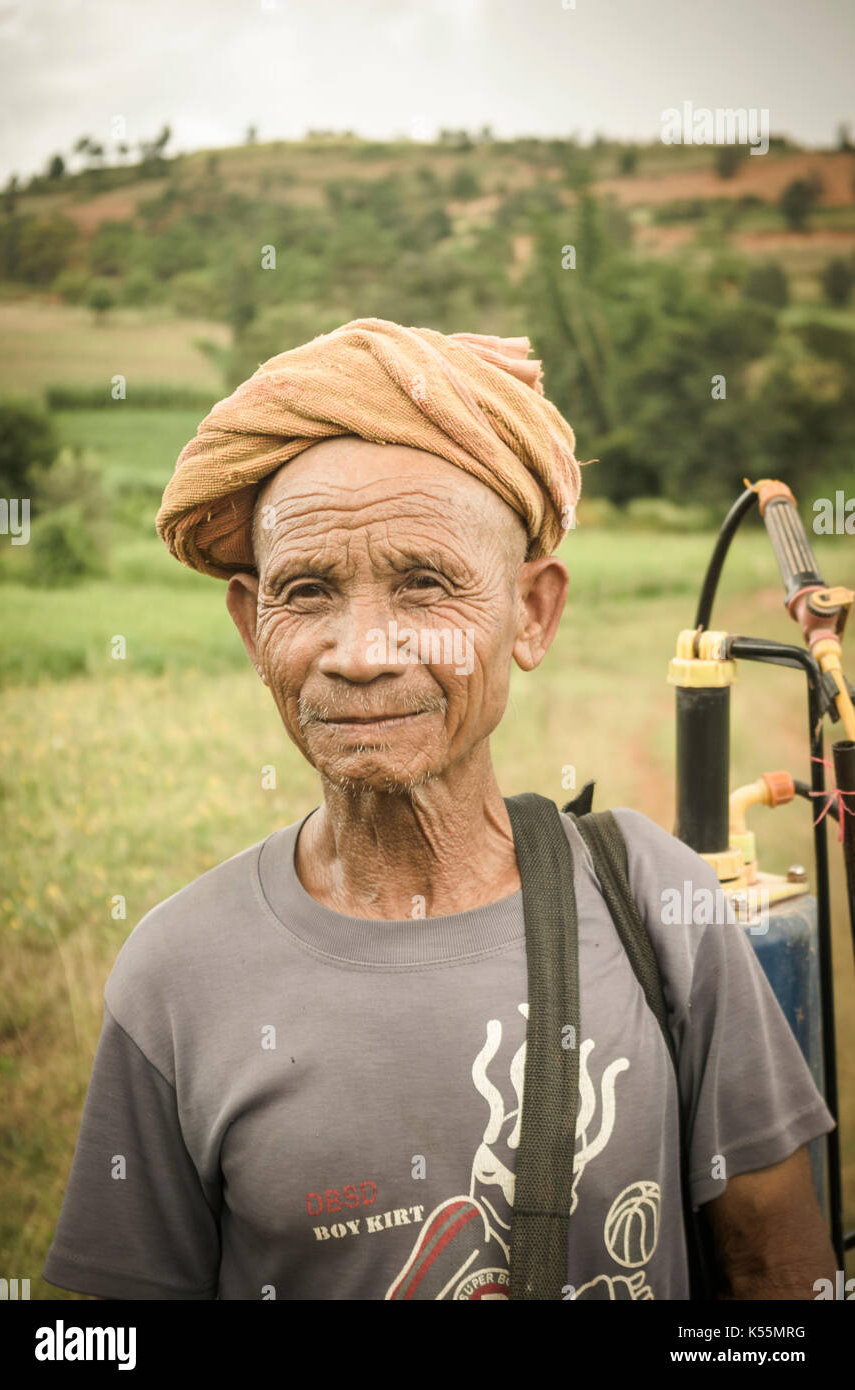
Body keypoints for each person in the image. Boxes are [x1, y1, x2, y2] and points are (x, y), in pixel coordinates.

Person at [42, 318, 835, 1301]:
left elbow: (778, 1275)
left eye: (423, 586)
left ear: (532, 613)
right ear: (253, 624)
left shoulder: (653, 901)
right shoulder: (174, 978)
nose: (363, 651)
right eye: (308, 591)